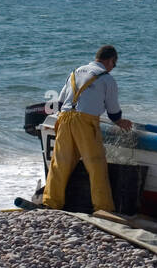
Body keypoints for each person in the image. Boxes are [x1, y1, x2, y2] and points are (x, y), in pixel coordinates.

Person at [43, 45, 134, 212]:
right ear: (110, 60)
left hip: (64, 118)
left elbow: (61, 101)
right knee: (96, 165)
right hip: (85, 123)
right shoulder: (107, 79)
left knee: (60, 163)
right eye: (114, 64)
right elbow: (113, 110)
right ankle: (103, 208)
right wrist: (120, 121)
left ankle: (51, 202)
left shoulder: (74, 73)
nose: (113, 68)